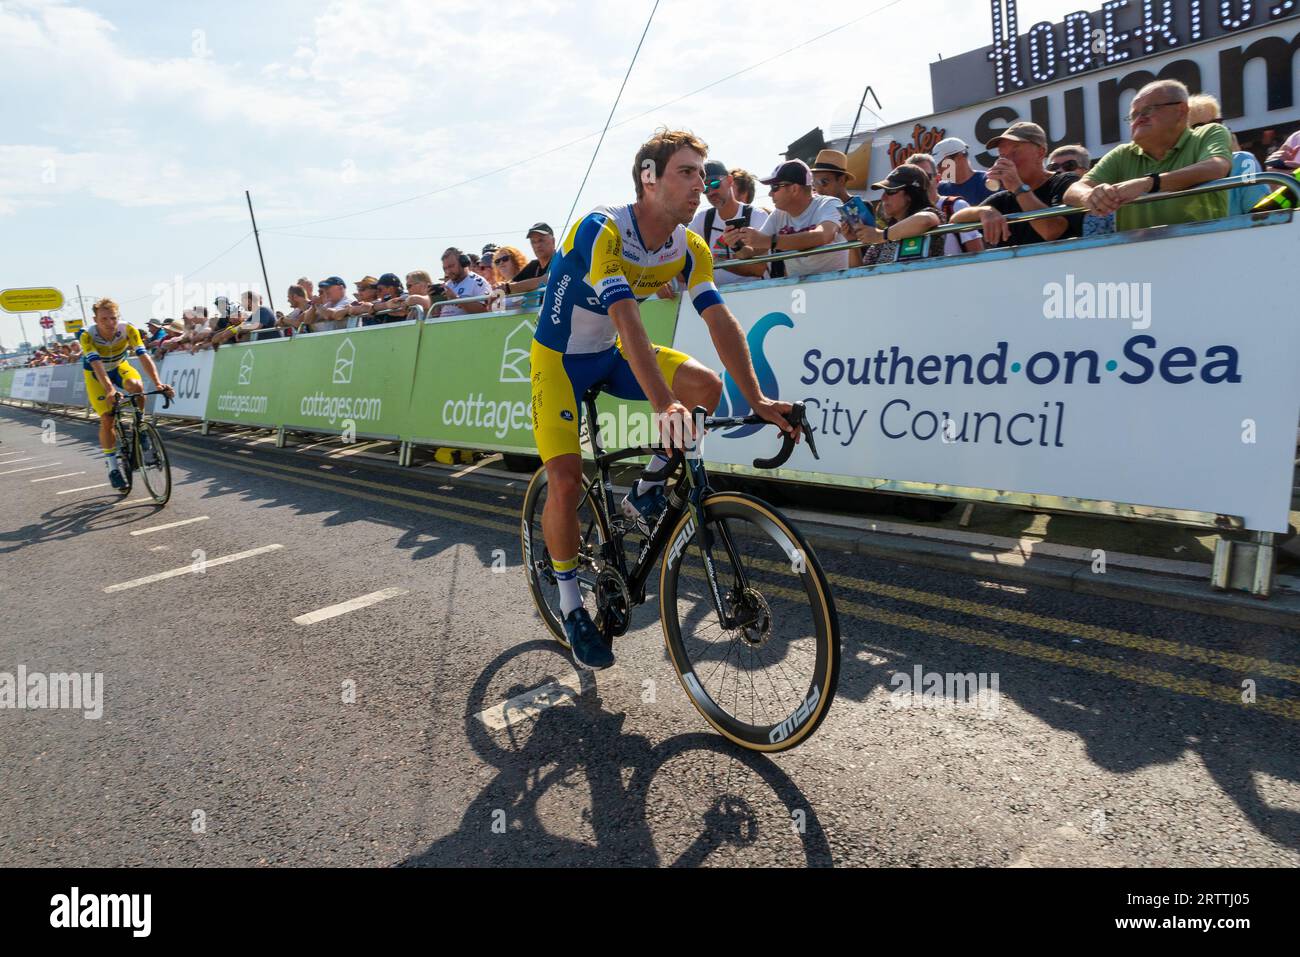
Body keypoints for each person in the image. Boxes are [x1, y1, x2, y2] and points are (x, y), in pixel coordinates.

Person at [532, 128, 794, 670]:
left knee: (706, 388)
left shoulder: (689, 246)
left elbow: (719, 320)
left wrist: (761, 399)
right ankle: (569, 603)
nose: (702, 182)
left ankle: (648, 488)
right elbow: (626, 314)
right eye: (687, 171)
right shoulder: (601, 228)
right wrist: (660, 404)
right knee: (564, 478)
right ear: (648, 178)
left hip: (608, 351)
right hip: (558, 360)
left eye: (703, 172)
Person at [1063, 80, 1231, 232]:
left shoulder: (1209, 133)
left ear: (1180, 110)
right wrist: (1090, 196)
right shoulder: (1122, 154)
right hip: (1140, 259)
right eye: (1133, 115)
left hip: (1205, 253)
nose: (1139, 120)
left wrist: (1149, 183)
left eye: (1148, 110)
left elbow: (1217, 166)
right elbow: (1072, 191)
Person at [79, 299, 174, 489]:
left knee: (136, 386)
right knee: (107, 418)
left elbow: (143, 356)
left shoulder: (128, 329)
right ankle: (113, 467)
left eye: (113, 318)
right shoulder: (87, 335)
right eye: (104, 319)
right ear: (95, 319)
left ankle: (139, 426)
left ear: (118, 317)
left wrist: (158, 383)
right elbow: (97, 365)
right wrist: (110, 390)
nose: (109, 322)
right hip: (95, 373)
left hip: (119, 366)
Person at [949, 121, 1082, 247]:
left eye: (1015, 152)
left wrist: (1018, 187)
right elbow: (954, 220)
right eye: (1002, 155)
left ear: (1040, 152)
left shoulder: (1065, 182)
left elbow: (1051, 231)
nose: (1007, 160)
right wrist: (982, 211)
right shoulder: (1005, 198)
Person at [724, 159, 847, 277]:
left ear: (794, 189)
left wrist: (768, 241)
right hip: (799, 290)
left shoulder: (829, 203)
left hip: (836, 284)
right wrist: (737, 244)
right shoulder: (779, 214)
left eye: (775, 187)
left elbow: (822, 236)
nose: (770, 194)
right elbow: (751, 253)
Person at [687, 159, 768, 285]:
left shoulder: (757, 215)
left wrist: (717, 262)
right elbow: (680, 253)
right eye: (705, 188)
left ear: (730, 181)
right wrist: (662, 282)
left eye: (715, 184)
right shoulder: (701, 219)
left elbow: (758, 269)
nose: (711, 192)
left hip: (756, 293)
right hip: (718, 297)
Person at [1186, 93, 1268, 216]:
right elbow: (1265, 217)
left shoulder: (1242, 161)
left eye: (1217, 123)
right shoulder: (1243, 161)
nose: (1214, 131)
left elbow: (1263, 212)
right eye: (1202, 127)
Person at [850, 165, 941, 265]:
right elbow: (859, 274)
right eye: (884, 191)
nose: (883, 197)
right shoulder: (886, 233)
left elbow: (926, 219)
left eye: (890, 191)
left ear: (910, 195)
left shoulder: (931, 214)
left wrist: (880, 235)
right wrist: (852, 241)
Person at [907, 153, 984, 255]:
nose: (920, 183)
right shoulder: (905, 212)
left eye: (925, 176)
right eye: (913, 180)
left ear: (938, 179)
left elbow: (978, 255)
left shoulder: (956, 206)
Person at [932, 137, 994, 205]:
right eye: (936, 165)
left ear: (960, 157)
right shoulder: (939, 188)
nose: (938, 170)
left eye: (941, 164)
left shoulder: (988, 182)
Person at [500, 224, 556, 297]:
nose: (537, 245)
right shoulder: (533, 265)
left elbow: (546, 280)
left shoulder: (561, 260)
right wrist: (500, 286)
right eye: (533, 242)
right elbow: (513, 283)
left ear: (553, 241)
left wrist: (508, 288)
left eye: (541, 240)